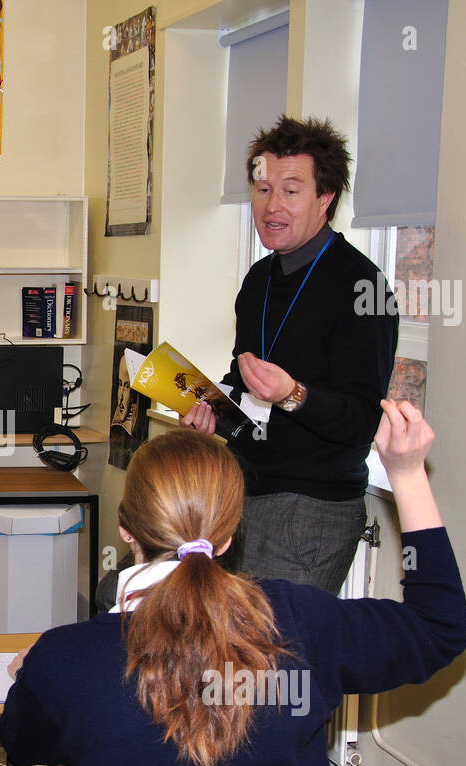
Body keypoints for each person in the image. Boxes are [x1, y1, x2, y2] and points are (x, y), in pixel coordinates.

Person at [0, 400, 466, 766]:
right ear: (226, 535)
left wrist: (33, 671)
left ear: (126, 528)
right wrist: (407, 477)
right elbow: (438, 626)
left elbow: (22, 743)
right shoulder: (304, 618)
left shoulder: (69, 656)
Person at [182, 115, 398, 594]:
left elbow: (362, 418)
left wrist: (294, 395)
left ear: (325, 199)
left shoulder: (364, 287)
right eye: (262, 190)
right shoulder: (259, 278)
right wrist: (214, 410)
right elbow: (245, 381)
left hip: (311, 508)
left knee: (272, 663)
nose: (271, 206)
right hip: (240, 495)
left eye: (291, 191)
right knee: (223, 651)